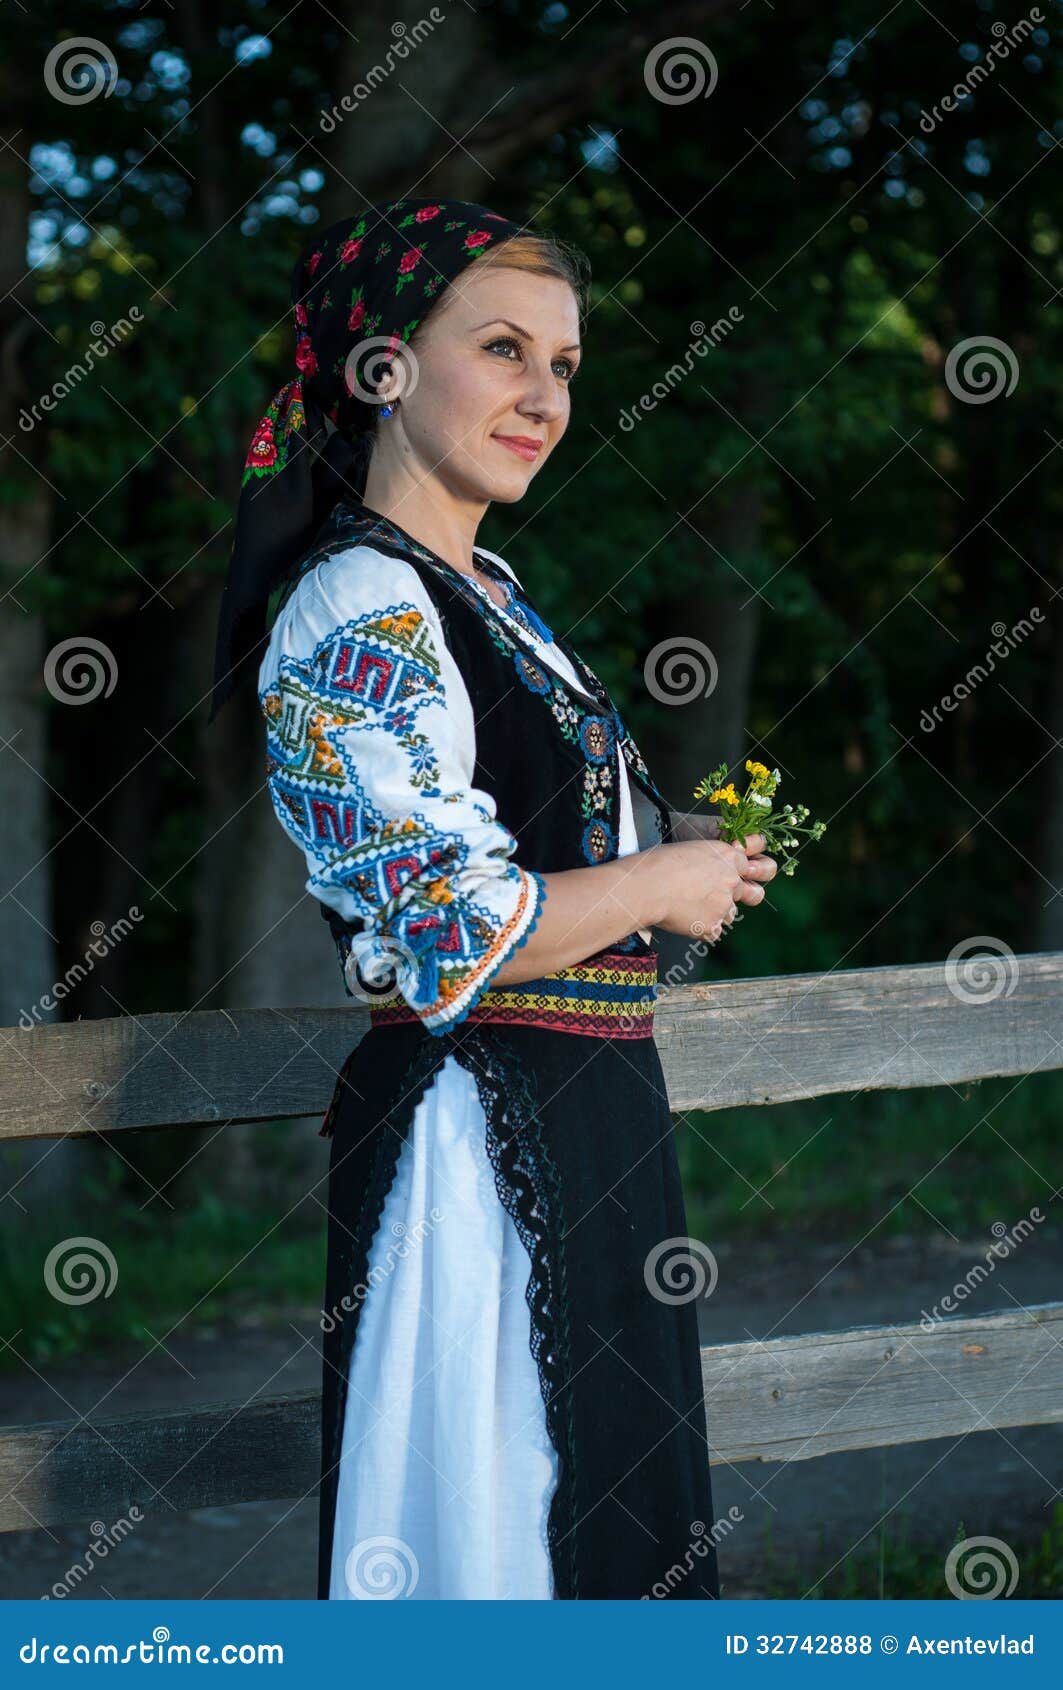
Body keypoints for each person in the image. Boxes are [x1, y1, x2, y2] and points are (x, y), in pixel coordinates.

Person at [210, 198, 776, 1600]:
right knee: (505, 1538)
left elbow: (531, 846)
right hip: (479, 1143)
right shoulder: (353, 602)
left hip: (593, 1117)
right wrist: (662, 879)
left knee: (615, 1526)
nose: (544, 395)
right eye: (505, 349)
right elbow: (443, 925)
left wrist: (678, 857)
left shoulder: (495, 593)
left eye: (567, 365)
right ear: (386, 368)